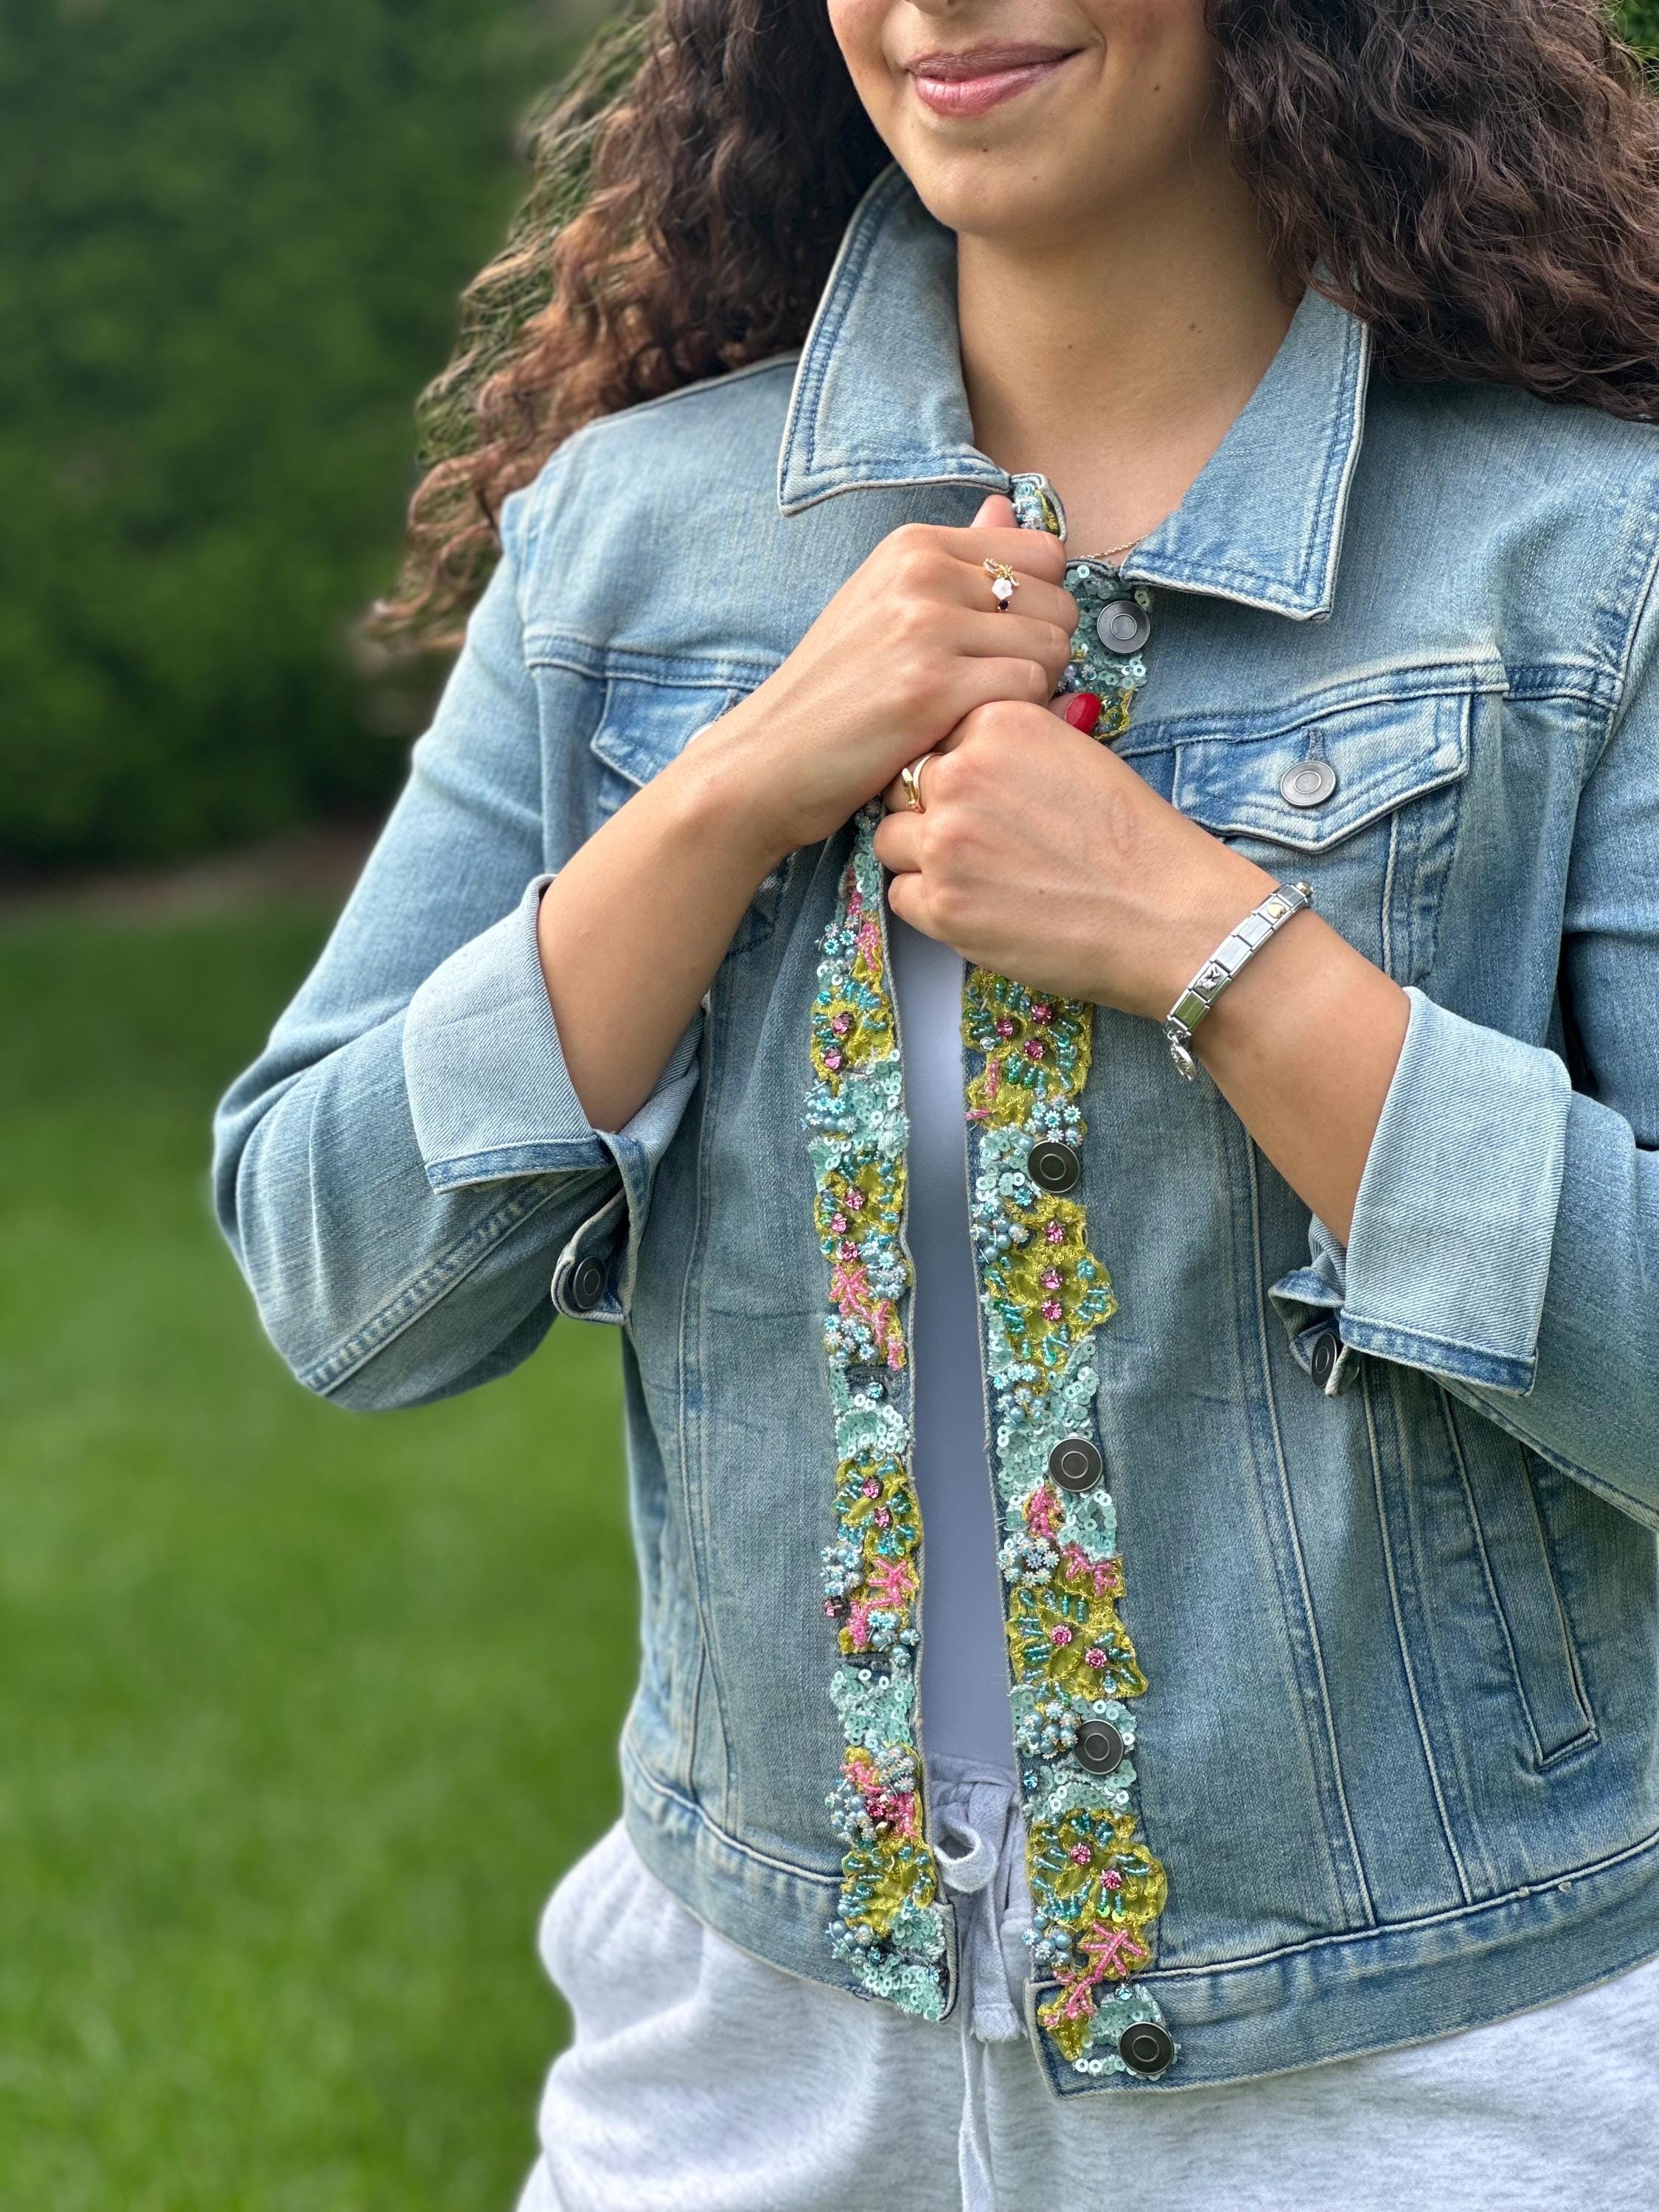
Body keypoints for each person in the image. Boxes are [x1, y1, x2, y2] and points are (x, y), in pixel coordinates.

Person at [213, 3, 1659, 2206]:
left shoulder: (1587, 568)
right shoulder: (621, 547)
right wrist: (718, 800)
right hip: (749, 2045)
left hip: (1435, 2058)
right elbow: (339, 1281)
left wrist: (1215, 945)